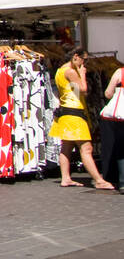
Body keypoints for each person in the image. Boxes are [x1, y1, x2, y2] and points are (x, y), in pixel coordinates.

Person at [50, 47, 113, 190]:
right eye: (84, 60)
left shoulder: (60, 70)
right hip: (75, 113)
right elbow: (83, 90)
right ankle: (98, 180)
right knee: (86, 148)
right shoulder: (71, 71)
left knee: (66, 146)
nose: (84, 63)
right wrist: (82, 74)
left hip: (65, 112)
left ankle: (66, 178)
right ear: (76, 57)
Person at [101, 64, 124, 190]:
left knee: (121, 148)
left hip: (121, 116)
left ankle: (122, 182)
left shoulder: (120, 72)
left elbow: (108, 93)